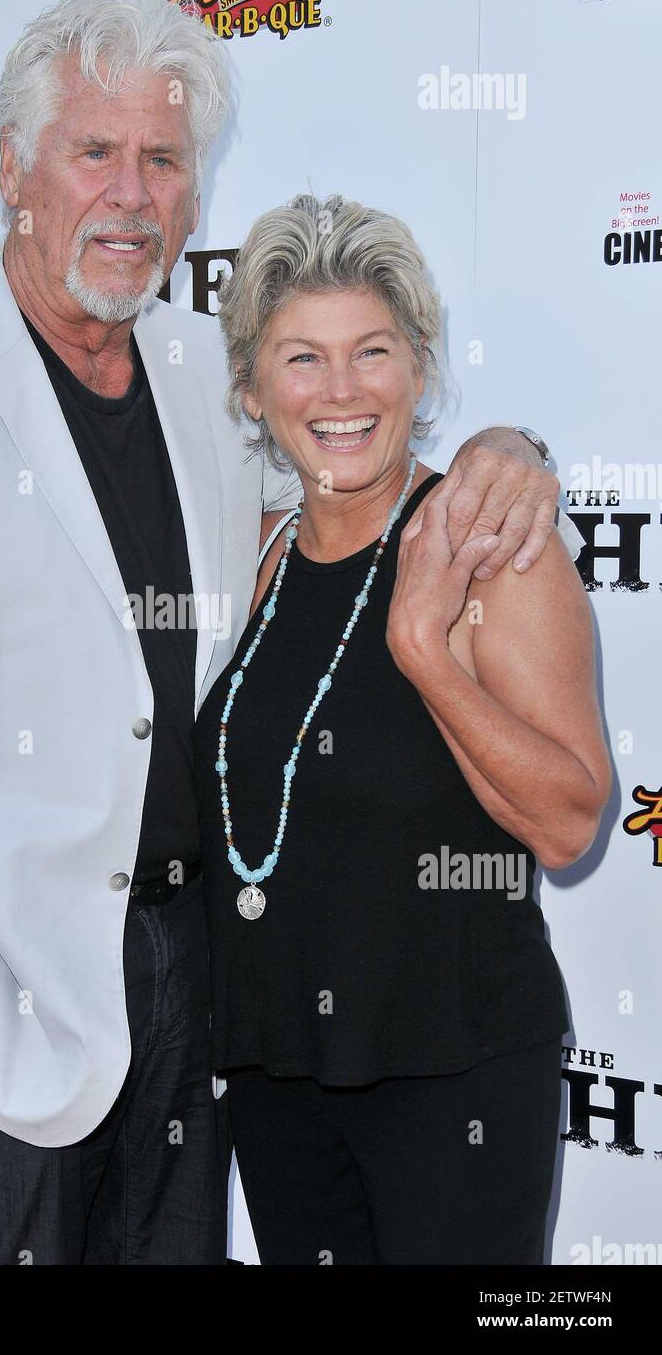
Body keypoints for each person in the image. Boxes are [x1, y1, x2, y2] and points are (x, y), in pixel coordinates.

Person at [0, 0, 574, 1266]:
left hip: (203, 1000)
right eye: (93, 151)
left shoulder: (207, 375)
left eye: (164, 159)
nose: (130, 194)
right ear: (11, 166)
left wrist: (516, 446)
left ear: (192, 192)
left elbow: (355, 468)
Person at [194, 192, 612, 1265]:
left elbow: (570, 822)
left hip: (454, 1075)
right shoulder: (250, 556)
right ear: (252, 389)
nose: (341, 391)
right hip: (276, 1076)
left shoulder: (489, 551)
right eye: (302, 359)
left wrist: (422, 646)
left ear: (418, 371)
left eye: (371, 352)